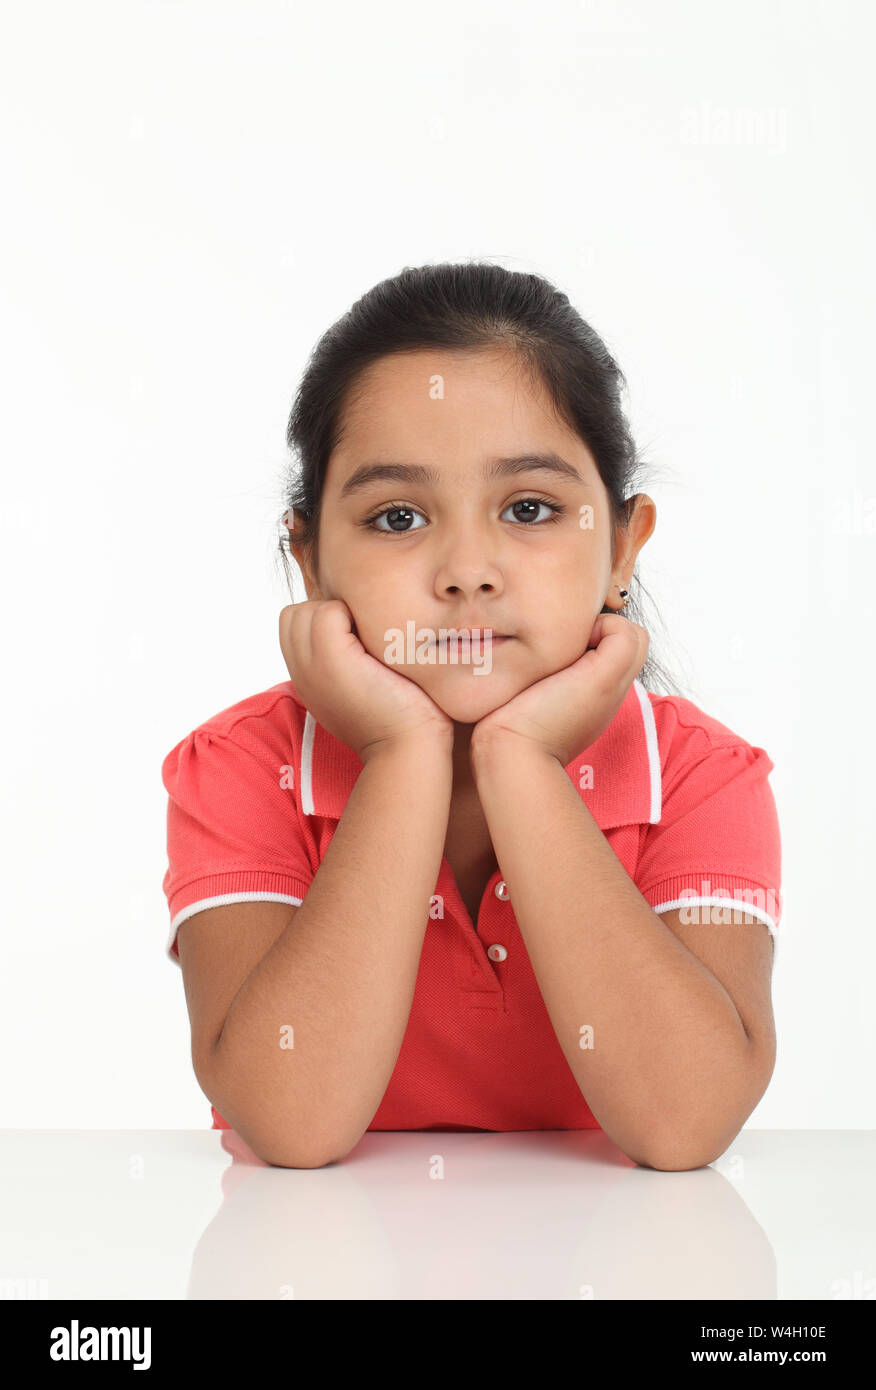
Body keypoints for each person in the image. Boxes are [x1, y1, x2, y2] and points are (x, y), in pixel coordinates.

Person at [161, 261, 781, 1171]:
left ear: (621, 546)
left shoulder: (701, 779)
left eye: (529, 508)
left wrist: (522, 762)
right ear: (312, 561)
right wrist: (402, 752)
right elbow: (290, 1124)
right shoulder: (241, 769)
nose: (465, 571)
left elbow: (685, 1125)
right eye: (398, 517)